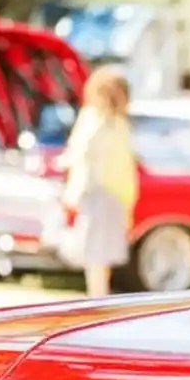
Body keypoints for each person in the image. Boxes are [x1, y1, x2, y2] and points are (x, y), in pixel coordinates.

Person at [56, 66, 139, 297]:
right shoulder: (95, 120)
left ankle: (99, 296)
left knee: (101, 254)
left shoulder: (116, 124)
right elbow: (82, 157)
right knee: (95, 253)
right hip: (97, 193)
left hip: (112, 195)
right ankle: (97, 296)